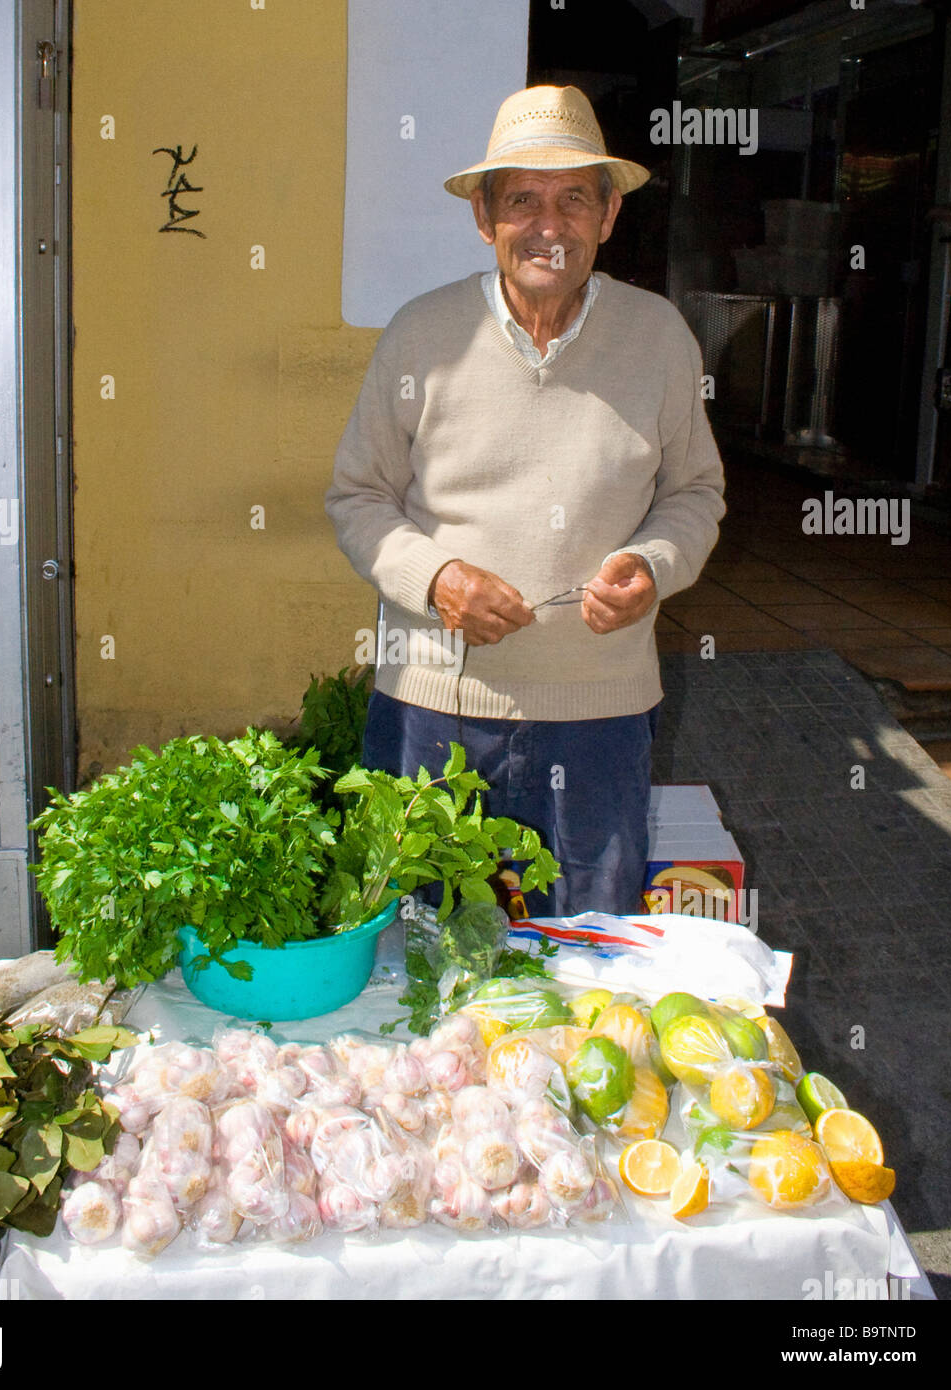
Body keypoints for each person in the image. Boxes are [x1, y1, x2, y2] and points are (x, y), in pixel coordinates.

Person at [326, 86, 725, 916]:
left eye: (573, 198)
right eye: (522, 200)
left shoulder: (658, 338)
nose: (550, 224)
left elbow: (694, 492)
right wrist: (437, 580)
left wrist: (653, 565)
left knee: (585, 956)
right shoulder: (421, 335)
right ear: (484, 218)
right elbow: (358, 496)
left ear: (608, 215)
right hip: (432, 711)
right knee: (418, 957)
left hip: (599, 712)